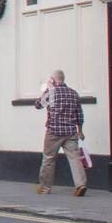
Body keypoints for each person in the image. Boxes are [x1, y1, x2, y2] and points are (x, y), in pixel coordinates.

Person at [34, 69, 87, 197]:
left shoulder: (51, 93)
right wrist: (80, 131)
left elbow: (38, 105)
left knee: (48, 159)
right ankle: (81, 184)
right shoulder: (74, 93)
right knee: (75, 159)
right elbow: (79, 114)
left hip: (53, 131)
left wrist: (45, 91)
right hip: (70, 132)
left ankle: (45, 187)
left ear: (53, 80)